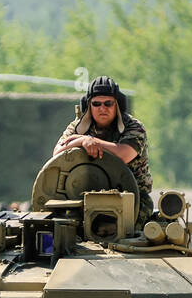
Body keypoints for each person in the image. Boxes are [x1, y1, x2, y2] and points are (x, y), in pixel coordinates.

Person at [54, 76, 153, 221]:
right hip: (83, 198)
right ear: (88, 105)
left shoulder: (133, 127)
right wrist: (84, 140)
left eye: (108, 103)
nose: (102, 108)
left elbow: (123, 155)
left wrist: (93, 142)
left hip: (131, 198)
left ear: (117, 104)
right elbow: (57, 154)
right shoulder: (78, 127)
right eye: (96, 103)